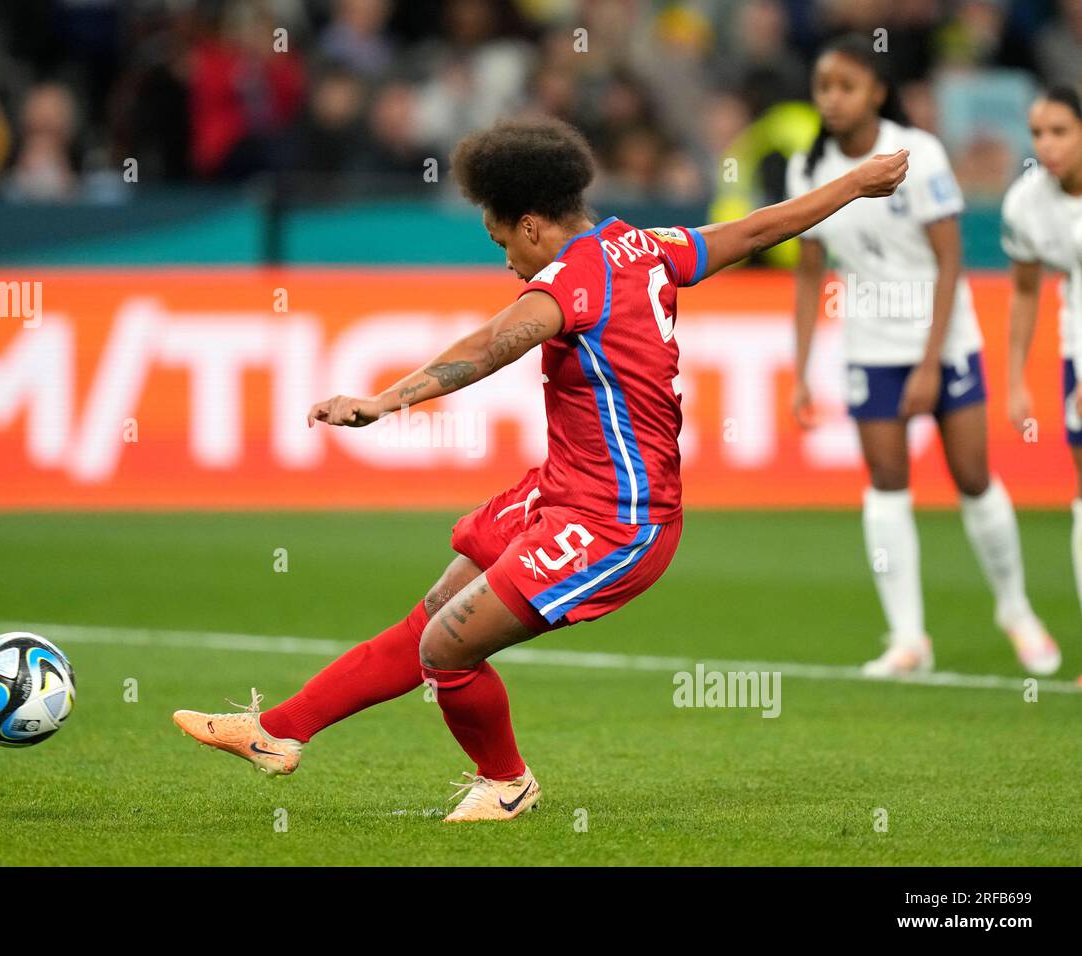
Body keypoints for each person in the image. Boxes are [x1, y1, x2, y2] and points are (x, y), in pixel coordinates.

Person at [175, 116, 909, 822]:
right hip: (562, 494)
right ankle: (280, 730)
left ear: (531, 224)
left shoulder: (573, 281)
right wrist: (853, 184)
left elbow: (493, 344)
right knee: (433, 617)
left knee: (446, 649)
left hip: (620, 521)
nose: (505, 261)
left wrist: (384, 401)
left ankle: (508, 784)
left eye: (502, 241)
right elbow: (755, 229)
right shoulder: (644, 244)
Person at [787, 35, 1059, 678]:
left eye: (846, 86)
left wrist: (932, 361)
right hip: (870, 348)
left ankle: (1015, 609)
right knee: (885, 482)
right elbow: (807, 273)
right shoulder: (809, 169)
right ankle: (909, 639)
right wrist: (800, 369)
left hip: (945, 339)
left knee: (971, 475)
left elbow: (949, 256)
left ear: (877, 93)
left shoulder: (920, 154)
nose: (832, 98)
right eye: (824, 86)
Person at [1002, 86, 1082, 630]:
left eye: (1060, 132)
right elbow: (1027, 290)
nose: (1046, 145)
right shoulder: (1026, 202)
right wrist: (1015, 379)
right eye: (1037, 134)